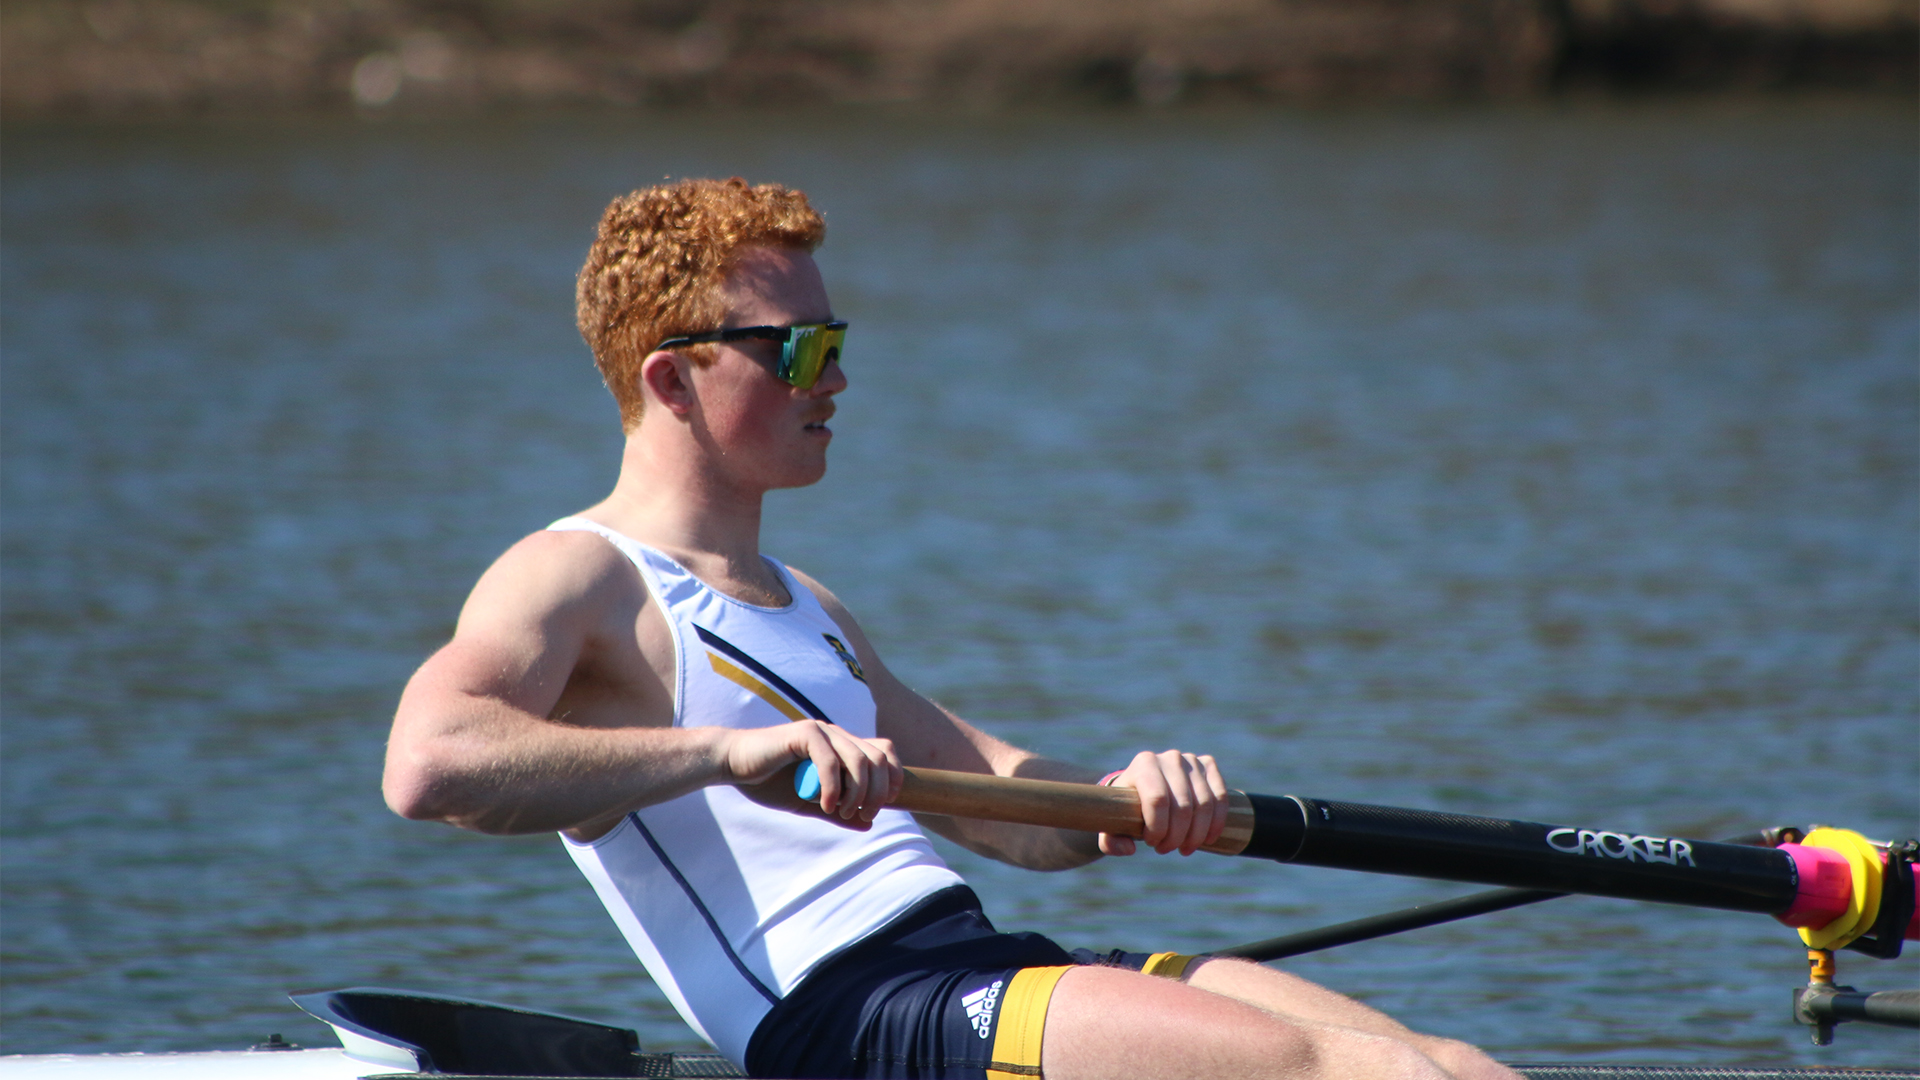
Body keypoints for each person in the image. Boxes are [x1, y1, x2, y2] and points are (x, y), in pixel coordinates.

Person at [383, 177, 1516, 1080]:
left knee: (1449, 1064)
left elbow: (998, 798)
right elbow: (428, 766)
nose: (836, 379)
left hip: (974, 968)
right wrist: (730, 754)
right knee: (1352, 1075)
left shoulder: (806, 602)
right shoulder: (577, 574)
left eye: (837, 342)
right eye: (798, 350)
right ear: (673, 381)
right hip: (853, 1015)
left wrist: (1127, 799)